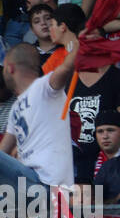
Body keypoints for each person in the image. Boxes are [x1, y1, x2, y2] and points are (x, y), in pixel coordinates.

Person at [0, 39, 78, 191]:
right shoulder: (16, 108)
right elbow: (3, 151)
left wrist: (79, 42)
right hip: (27, 185)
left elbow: (67, 66)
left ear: (9, 68)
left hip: (48, 184)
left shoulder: (44, 87)